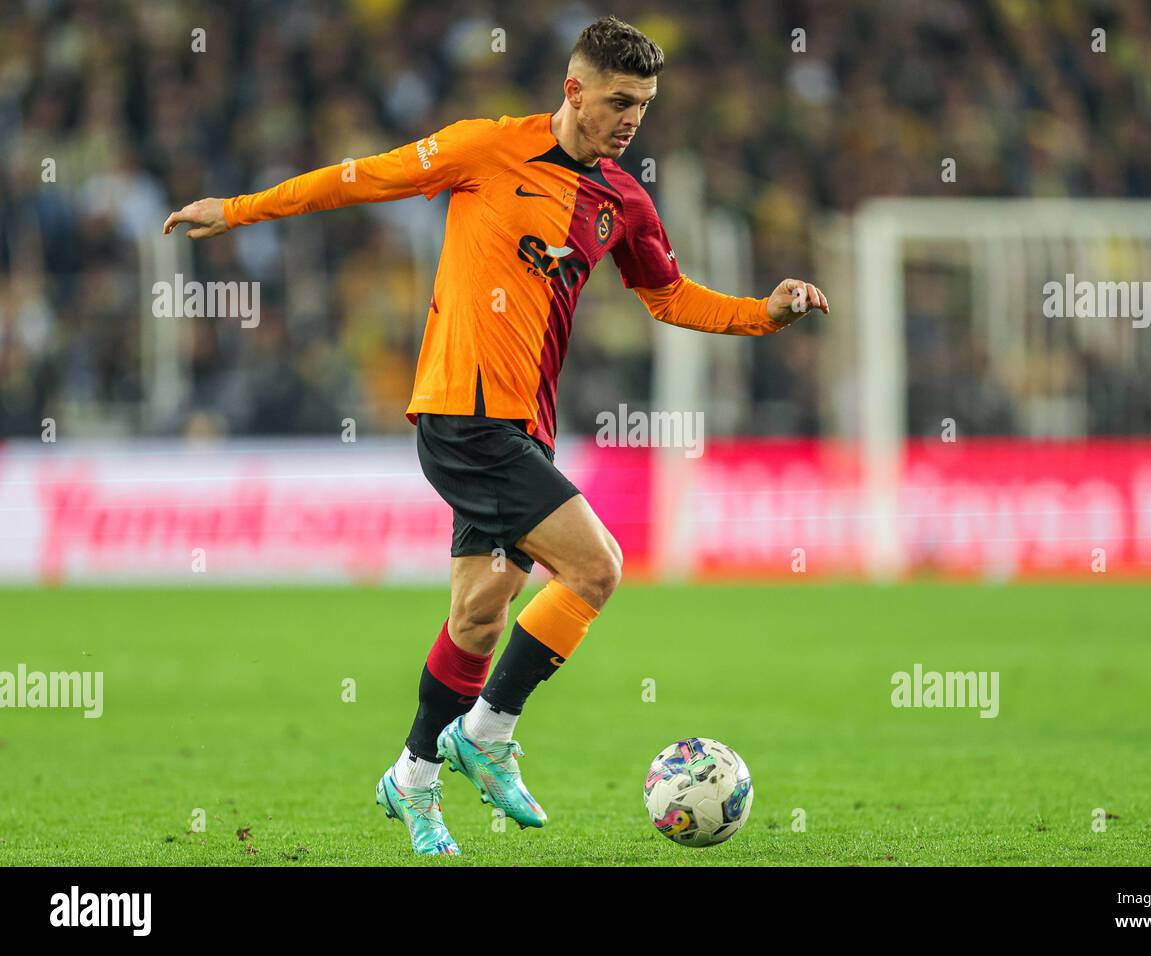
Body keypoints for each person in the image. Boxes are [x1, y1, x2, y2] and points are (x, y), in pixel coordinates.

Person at [163, 15, 828, 856]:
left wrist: (761, 315)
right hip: (461, 414)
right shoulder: (485, 148)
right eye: (619, 100)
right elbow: (361, 179)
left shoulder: (622, 201)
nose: (631, 119)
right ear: (573, 89)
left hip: (525, 426)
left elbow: (667, 295)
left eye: (645, 105)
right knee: (596, 567)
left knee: (480, 614)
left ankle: (409, 779)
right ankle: (486, 734)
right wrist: (239, 209)